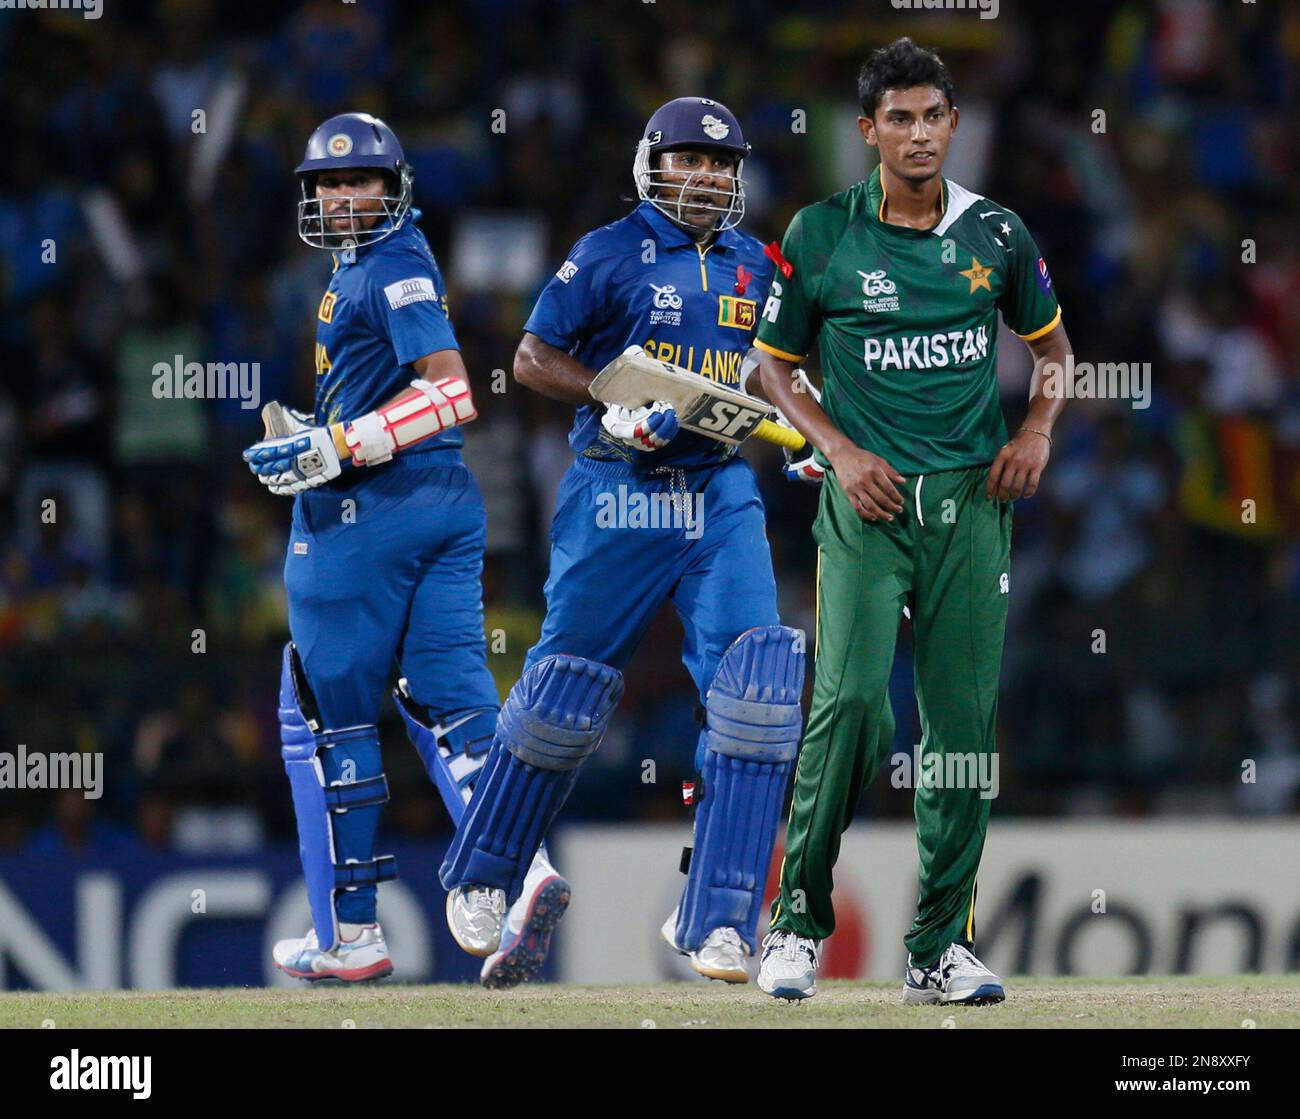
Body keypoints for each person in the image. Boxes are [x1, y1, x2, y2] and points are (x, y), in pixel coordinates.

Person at [439, 97, 807, 986]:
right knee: (566, 691)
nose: (708, 176)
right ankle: (484, 875)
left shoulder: (760, 262)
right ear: (653, 166)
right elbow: (531, 358)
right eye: (690, 160)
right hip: (618, 488)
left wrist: (814, 444)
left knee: (758, 687)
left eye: (722, 164)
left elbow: (774, 371)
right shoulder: (608, 250)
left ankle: (718, 913)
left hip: (719, 490)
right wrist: (607, 397)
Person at [752, 39, 1071, 1004]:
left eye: (934, 115)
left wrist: (1040, 428)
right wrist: (840, 451)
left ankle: (937, 949)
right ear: (868, 132)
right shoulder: (820, 233)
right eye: (900, 118)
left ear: (954, 125)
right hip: (866, 505)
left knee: (962, 731)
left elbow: (1054, 350)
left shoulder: (1000, 237)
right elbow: (773, 367)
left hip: (973, 506)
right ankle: (795, 926)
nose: (919, 133)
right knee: (849, 702)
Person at [243, 112, 556, 986]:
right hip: (445, 506)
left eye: (361, 181)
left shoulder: (393, 262)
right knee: (449, 703)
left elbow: (452, 394)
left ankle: (349, 935)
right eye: (329, 184)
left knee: (320, 716)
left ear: (395, 186)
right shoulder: (370, 264)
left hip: (369, 513)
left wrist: (336, 449)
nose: (344, 196)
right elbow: (406, 398)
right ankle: (523, 876)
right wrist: (318, 431)